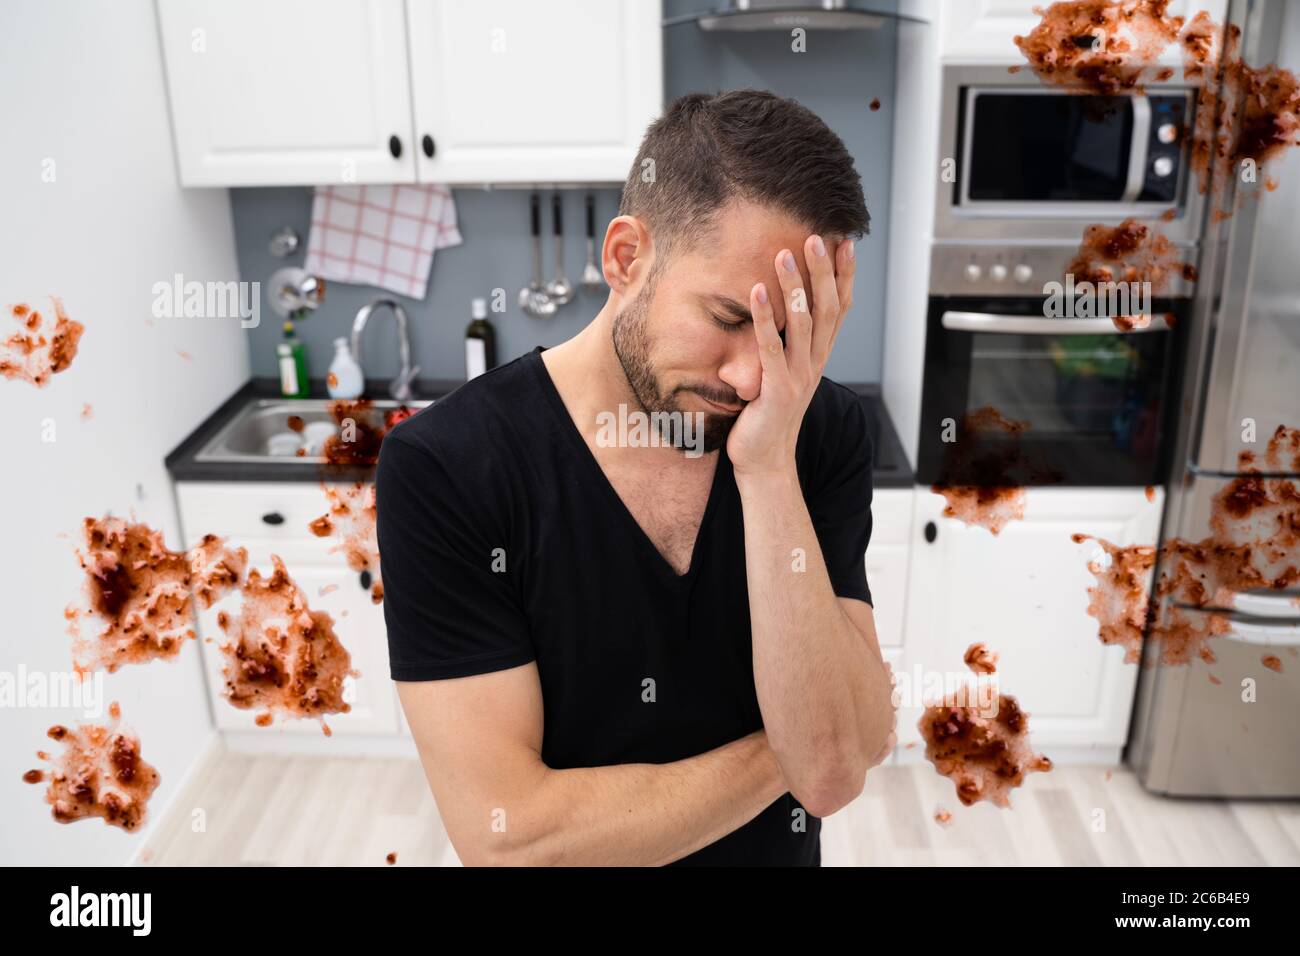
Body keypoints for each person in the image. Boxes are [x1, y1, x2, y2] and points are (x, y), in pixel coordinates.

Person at [376, 89, 897, 866]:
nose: (756, 375)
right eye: (728, 318)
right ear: (626, 258)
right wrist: (806, 745)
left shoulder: (816, 432)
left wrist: (766, 469)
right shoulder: (449, 469)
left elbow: (837, 771)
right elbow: (514, 840)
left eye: (787, 335)